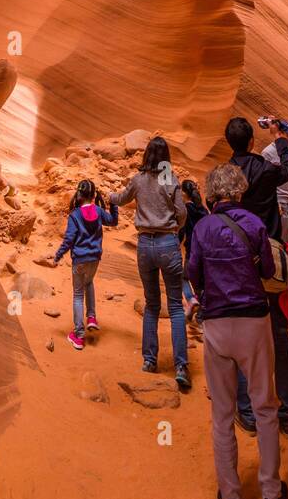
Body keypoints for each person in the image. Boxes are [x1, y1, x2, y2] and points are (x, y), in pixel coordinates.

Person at [186, 162, 288, 499]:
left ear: (212, 195)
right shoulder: (255, 224)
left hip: (217, 326)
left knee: (222, 416)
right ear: (240, 191)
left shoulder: (202, 227)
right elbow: (265, 273)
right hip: (253, 324)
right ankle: (271, 494)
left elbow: (192, 273)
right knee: (265, 408)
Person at [225, 115, 288, 437]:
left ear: (230, 143)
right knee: (279, 333)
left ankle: (249, 411)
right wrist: (281, 139)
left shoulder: (225, 176)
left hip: (239, 264)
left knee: (242, 335)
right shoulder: (264, 169)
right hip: (269, 261)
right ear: (252, 142)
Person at [112, 136, 191, 391]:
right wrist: (174, 230)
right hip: (168, 243)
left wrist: (107, 196)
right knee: (176, 307)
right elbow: (181, 212)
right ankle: (180, 367)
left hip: (145, 245)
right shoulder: (168, 177)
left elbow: (122, 199)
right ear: (166, 157)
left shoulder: (138, 179)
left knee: (151, 305)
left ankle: (149, 360)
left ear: (146, 155)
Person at [53, 179, 118, 350]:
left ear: (79, 195)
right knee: (89, 283)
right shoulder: (98, 210)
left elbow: (69, 239)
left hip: (80, 260)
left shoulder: (75, 215)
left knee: (77, 295)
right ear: (93, 195)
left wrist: (58, 255)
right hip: (95, 259)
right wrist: (113, 204)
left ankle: (79, 335)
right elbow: (113, 221)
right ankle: (91, 317)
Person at [261, 118, 288, 244]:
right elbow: (266, 179)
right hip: (281, 202)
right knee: (283, 242)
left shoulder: (286, 150)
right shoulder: (268, 152)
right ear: (280, 133)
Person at [178, 178, 208, 319]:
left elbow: (182, 231)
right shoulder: (203, 210)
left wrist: (176, 243)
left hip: (192, 249)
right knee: (201, 282)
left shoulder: (186, 209)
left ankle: (191, 300)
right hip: (206, 250)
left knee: (184, 278)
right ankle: (198, 312)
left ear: (184, 193)